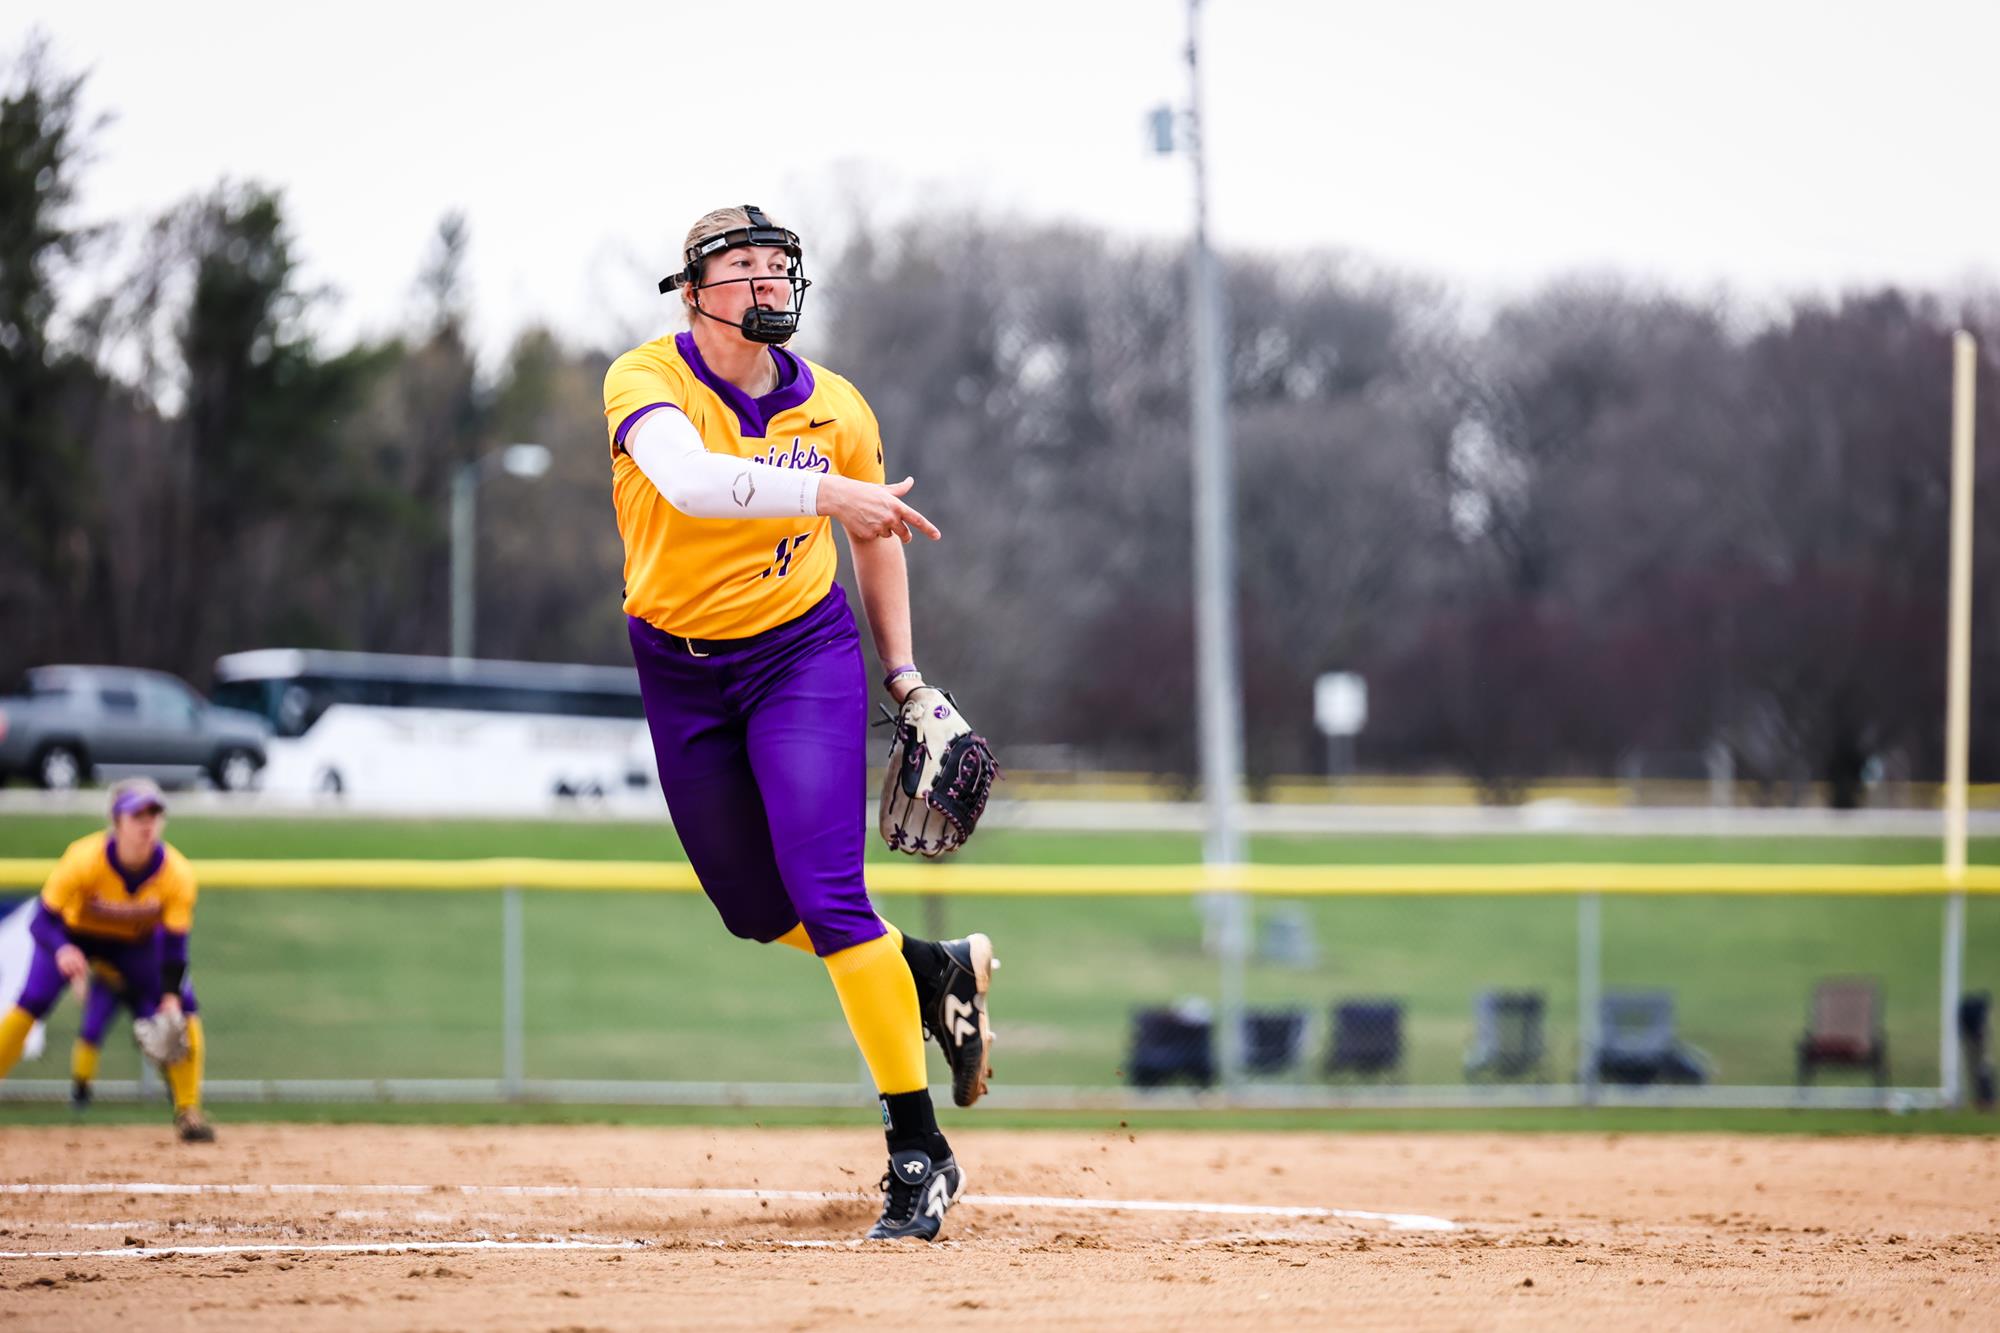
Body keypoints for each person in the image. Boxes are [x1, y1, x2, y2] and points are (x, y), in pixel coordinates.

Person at [603, 204, 996, 1241]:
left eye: (779, 266)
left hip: (797, 656)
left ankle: (918, 1153)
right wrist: (826, 494)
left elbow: (876, 541)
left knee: (828, 896)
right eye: (741, 267)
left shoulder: (836, 407)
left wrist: (904, 677)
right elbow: (687, 483)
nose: (767, 282)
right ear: (692, 291)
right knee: (748, 905)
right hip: (678, 667)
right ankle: (932, 967)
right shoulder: (646, 378)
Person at [0, 778, 215, 1142]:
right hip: (73, 936)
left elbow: (176, 945)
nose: (148, 823)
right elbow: (42, 920)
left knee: (184, 1010)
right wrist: (64, 949)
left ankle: (188, 1110)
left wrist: (170, 997)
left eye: (155, 814)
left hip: (135, 944)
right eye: (137, 815)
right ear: (116, 822)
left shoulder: (176, 873)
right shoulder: (84, 859)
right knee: (31, 1002)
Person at [69, 949, 210, 1132]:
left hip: (142, 982)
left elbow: (171, 944)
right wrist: (78, 978)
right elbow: (82, 942)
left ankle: (180, 1097)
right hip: (108, 981)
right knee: (91, 1031)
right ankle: (81, 1090)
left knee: (165, 1036)